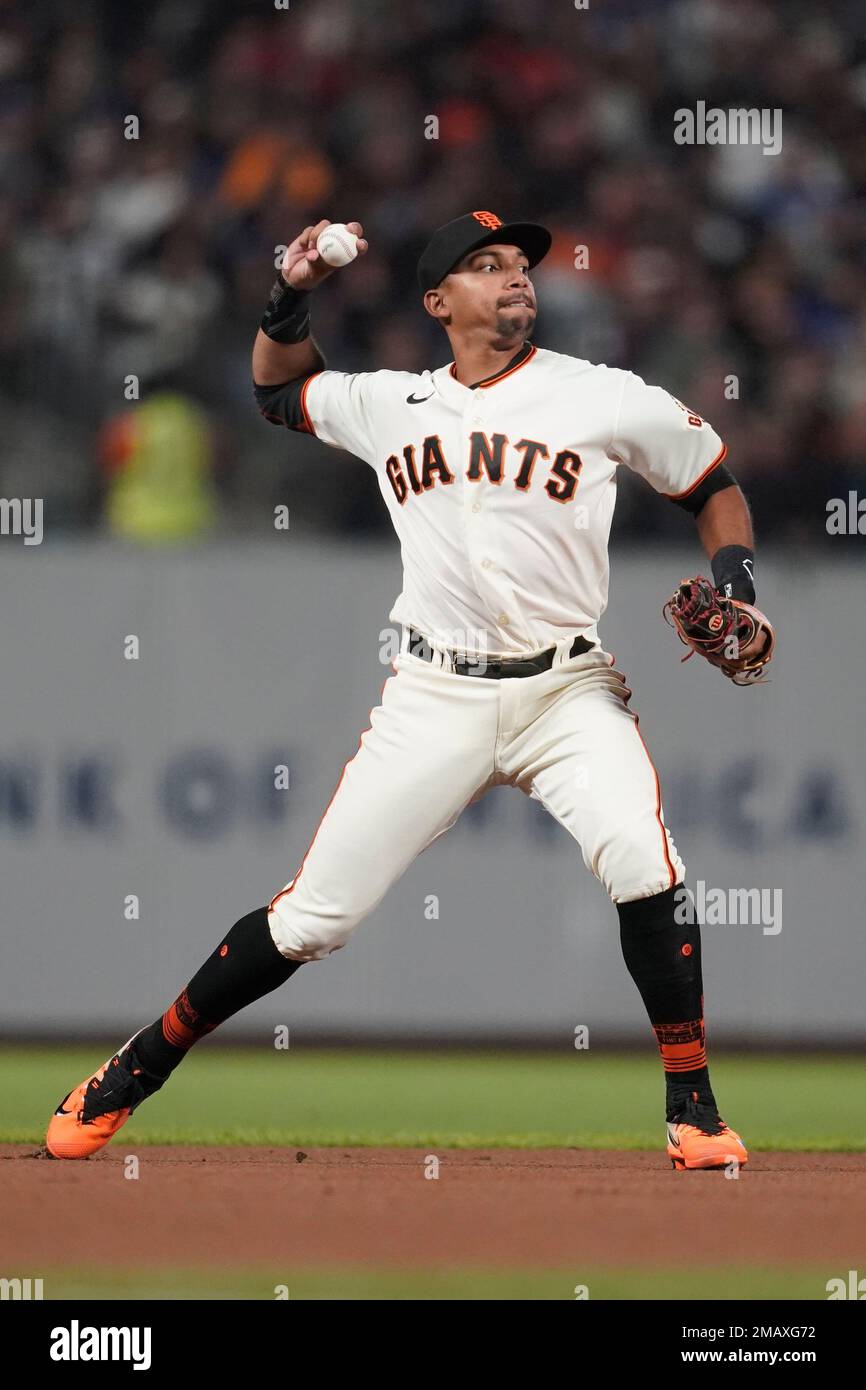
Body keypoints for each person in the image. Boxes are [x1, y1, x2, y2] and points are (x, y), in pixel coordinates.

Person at [47, 211, 765, 1170]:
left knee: (644, 859)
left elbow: (711, 481)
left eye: (519, 265)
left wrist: (739, 588)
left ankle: (695, 1110)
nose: (514, 278)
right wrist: (291, 289)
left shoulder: (602, 395)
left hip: (567, 691)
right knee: (316, 919)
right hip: (436, 694)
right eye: (486, 266)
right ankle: (134, 1068)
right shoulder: (393, 403)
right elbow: (278, 391)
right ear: (439, 302)